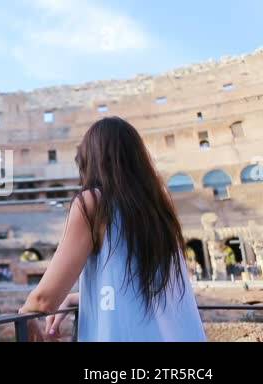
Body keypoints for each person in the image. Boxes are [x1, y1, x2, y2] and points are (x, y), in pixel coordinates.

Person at [19, 117, 206, 342]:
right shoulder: (158, 207)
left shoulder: (93, 203)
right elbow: (137, 287)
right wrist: (77, 299)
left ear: (91, 160)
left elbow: (44, 299)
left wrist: (25, 313)